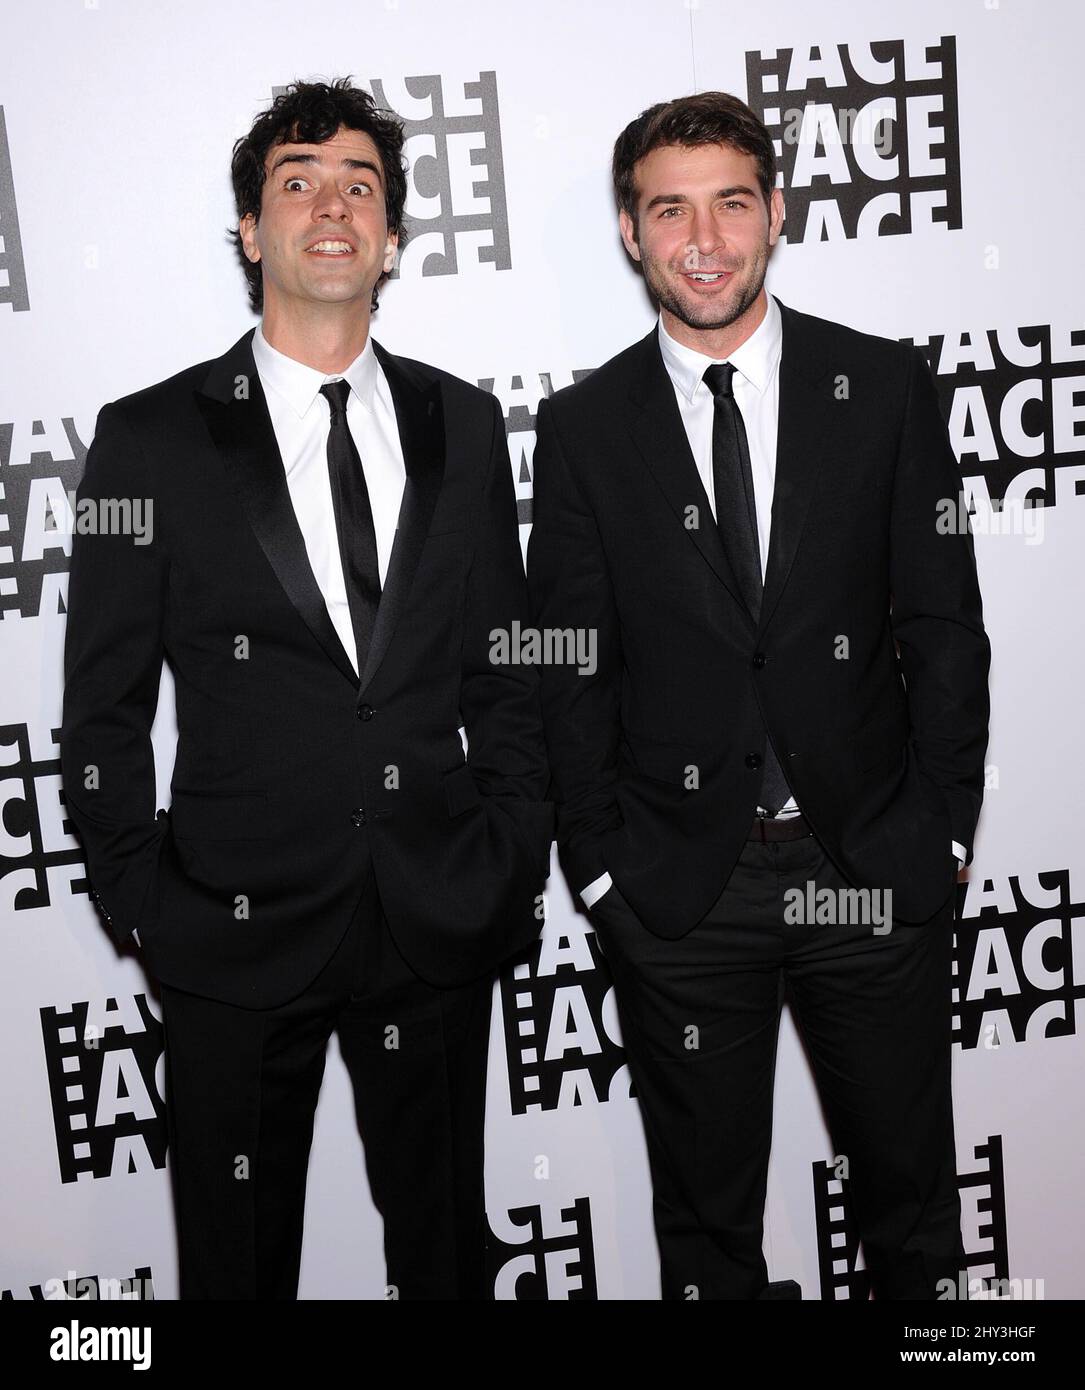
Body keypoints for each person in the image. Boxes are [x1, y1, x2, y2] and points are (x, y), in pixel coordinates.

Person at [61, 77, 552, 1300]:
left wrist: (509, 849)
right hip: (227, 929)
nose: (330, 205)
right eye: (297, 182)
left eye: (360, 186)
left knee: (446, 1257)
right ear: (250, 230)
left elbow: (509, 667)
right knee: (234, 1273)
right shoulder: (152, 439)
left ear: (389, 238)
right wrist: (142, 900)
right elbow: (103, 704)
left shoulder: (464, 425)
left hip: (437, 915)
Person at [527, 91, 990, 1300]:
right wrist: (604, 868)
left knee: (912, 1217)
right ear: (630, 232)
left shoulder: (881, 388)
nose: (703, 239)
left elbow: (944, 628)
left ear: (774, 213)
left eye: (731, 202)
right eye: (668, 208)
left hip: (867, 865)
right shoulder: (581, 429)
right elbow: (567, 663)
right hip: (683, 892)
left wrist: (938, 829)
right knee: (706, 1234)